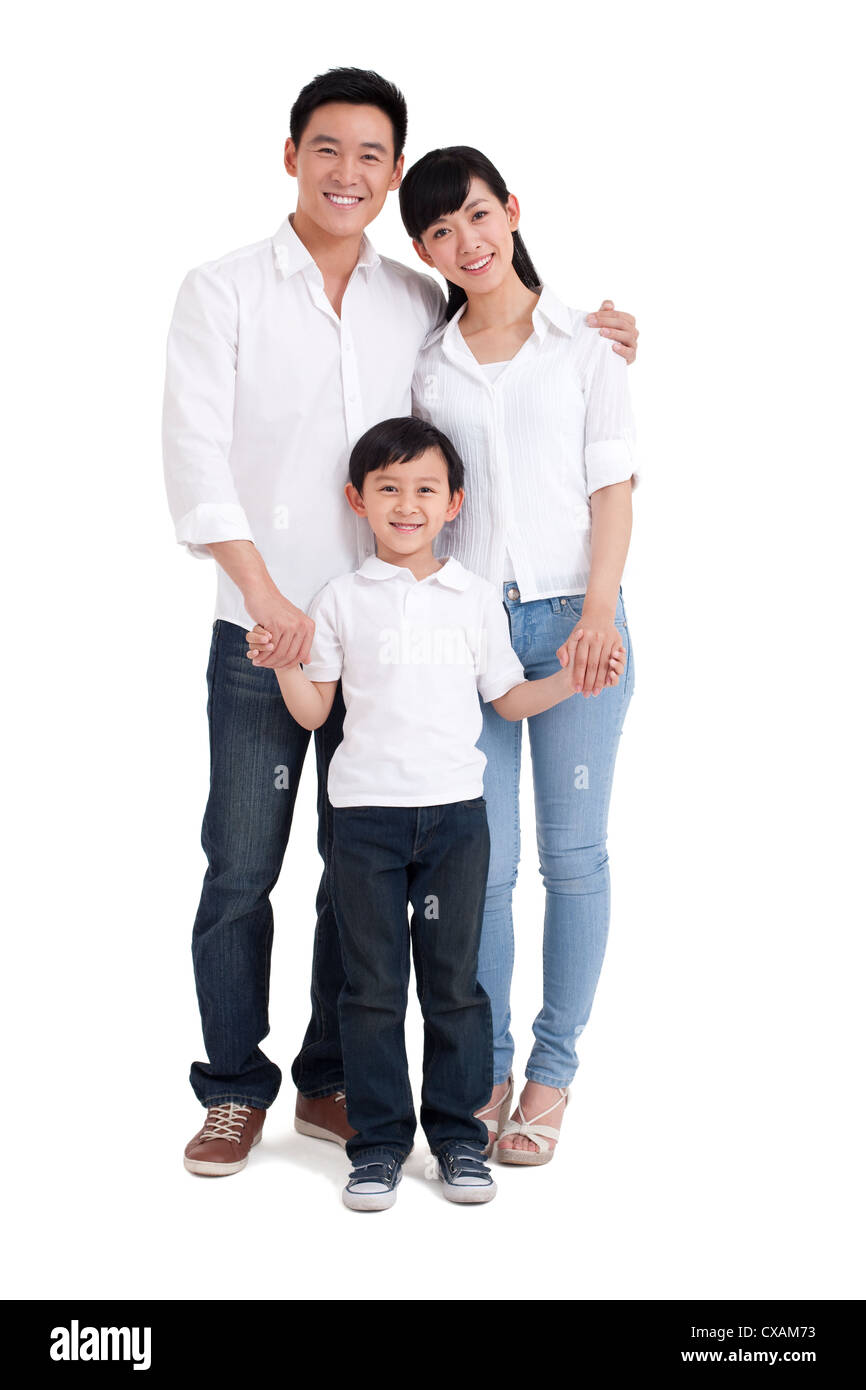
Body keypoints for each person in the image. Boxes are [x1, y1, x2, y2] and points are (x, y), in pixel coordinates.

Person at [162, 65, 640, 1176]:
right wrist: (270, 603)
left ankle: (341, 1080)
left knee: (367, 866)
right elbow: (192, 460)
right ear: (292, 156)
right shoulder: (223, 289)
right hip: (270, 629)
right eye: (328, 148)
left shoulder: (412, 299)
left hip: (408, 644)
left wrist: (598, 326)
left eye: (371, 156)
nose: (348, 172)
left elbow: (520, 340)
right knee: (241, 864)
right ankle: (236, 1087)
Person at [245, 417, 622, 1208]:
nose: (406, 505)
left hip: (455, 820)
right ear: (358, 501)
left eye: (425, 489)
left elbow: (508, 698)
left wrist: (570, 683)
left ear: (455, 503)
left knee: (454, 987)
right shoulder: (341, 598)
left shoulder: (475, 599)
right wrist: (284, 664)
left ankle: (456, 1139)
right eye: (388, 489)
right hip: (365, 824)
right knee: (372, 988)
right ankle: (378, 1146)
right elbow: (315, 712)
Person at [399, 145, 638, 1165]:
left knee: (573, 857)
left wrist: (594, 614)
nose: (468, 242)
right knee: (480, 865)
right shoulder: (427, 361)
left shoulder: (585, 344)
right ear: (424, 250)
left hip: (575, 624)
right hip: (468, 639)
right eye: (441, 231)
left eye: (478, 214)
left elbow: (611, 490)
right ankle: (486, 1068)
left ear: (511, 210)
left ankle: (552, 1073)